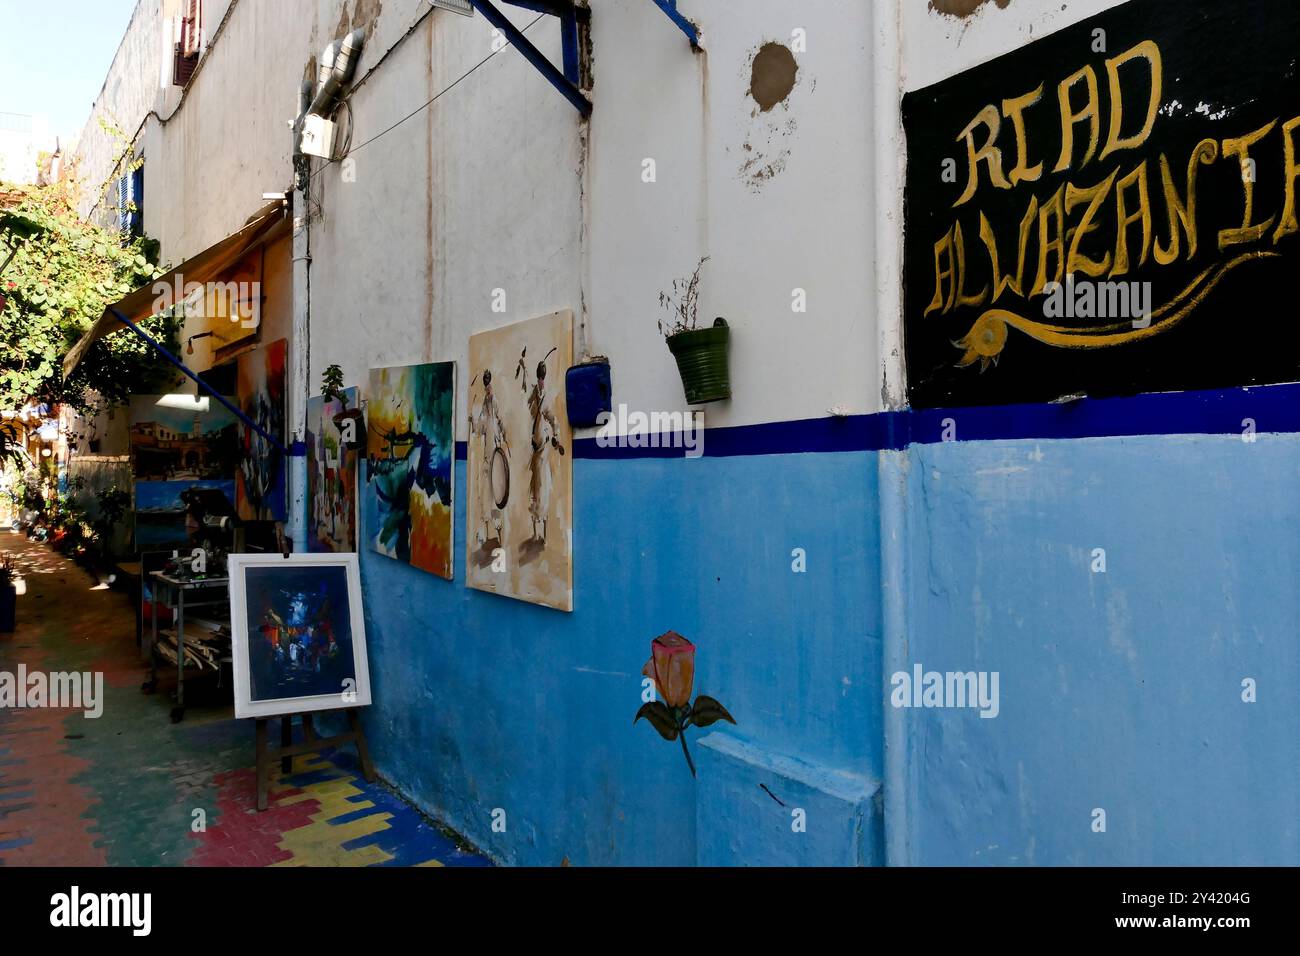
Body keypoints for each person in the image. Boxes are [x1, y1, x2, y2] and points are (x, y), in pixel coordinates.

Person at [526, 360, 565, 542]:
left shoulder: (546, 398)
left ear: (545, 378)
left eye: (543, 378)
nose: (541, 381)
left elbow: (554, 419)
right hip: (535, 451)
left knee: (543, 489)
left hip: (544, 450)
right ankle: (535, 532)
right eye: (539, 377)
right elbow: (526, 394)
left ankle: (545, 534)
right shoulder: (533, 395)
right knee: (535, 489)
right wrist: (524, 367)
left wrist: (556, 436)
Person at [469, 369, 508, 547]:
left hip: (496, 461)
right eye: (487, 387)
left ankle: (499, 535)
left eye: (489, 387)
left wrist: (504, 433)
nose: (489, 390)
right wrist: (471, 420)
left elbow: (500, 420)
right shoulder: (484, 416)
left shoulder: (495, 408)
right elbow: (478, 430)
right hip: (487, 460)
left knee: (497, 495)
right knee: (486, 496)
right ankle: (486, 533)